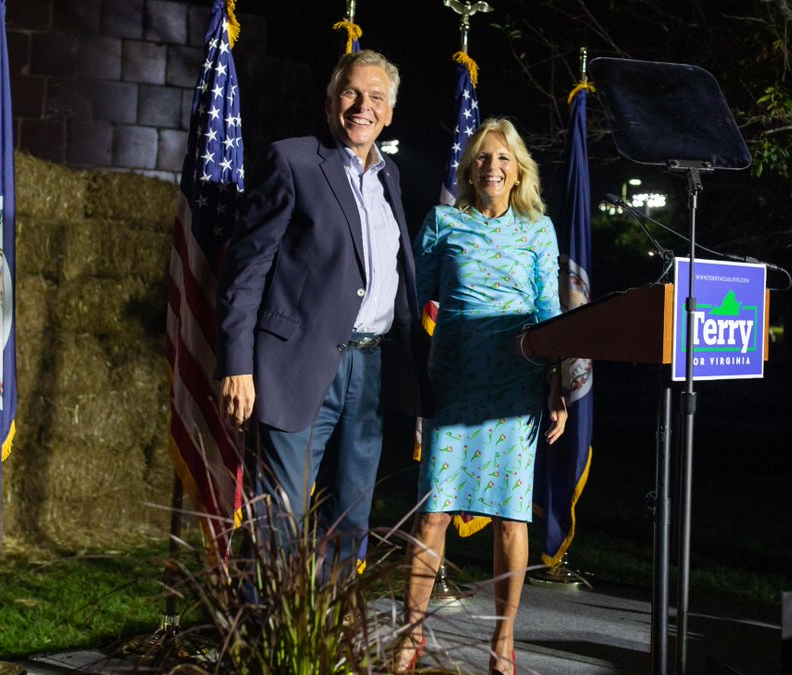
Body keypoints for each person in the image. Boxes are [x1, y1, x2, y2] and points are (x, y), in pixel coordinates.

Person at [216, 49, 423, 568]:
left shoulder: (390, 177)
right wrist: (237, 363)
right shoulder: (293, 160)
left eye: (376, 97)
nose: (363, 106)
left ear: (390, 112)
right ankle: (259, 647)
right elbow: (246, 271)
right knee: (278, 521)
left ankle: (324, 645)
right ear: (331, 102)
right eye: (352, 93)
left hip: (371, 369)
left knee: (350, 520)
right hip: (296, 365)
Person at [395, 118, 568, 675]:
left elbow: (549, 311)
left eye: (502, 159)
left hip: (515, 385)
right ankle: (410, 634)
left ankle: (503, 641)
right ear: (469, 167)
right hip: (454, 381)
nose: (491, 167)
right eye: (482, 157)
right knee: (432, 517)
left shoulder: (538, 229)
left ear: (519, 170)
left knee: (511, 521)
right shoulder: (443, 221)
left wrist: (556, 384)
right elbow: (414, 298)